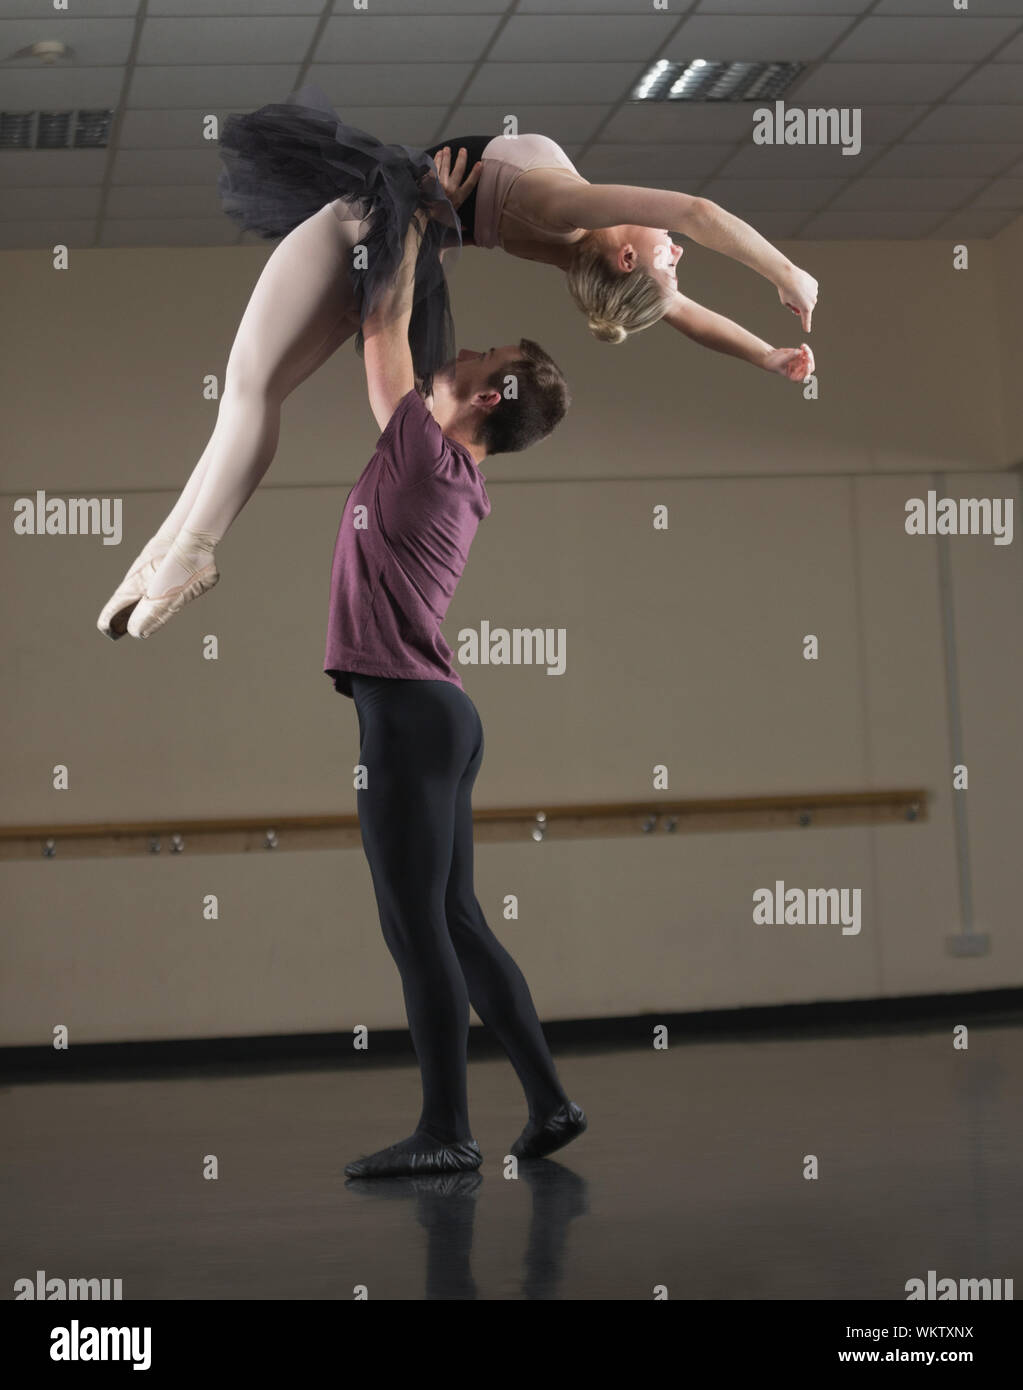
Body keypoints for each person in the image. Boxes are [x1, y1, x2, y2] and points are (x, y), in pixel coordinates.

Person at [97, 84, 817, 641]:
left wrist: (786, 275)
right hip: (394, 255)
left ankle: (188, 550)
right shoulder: (579, 242)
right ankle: (165, 555)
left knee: (249, 393)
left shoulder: (569, 207)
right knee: (257, 395)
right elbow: (684, 316)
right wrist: (764, 353)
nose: (679, 254)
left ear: (626, 258)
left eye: (665, 263)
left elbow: (696, 212)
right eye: (677, 266)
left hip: (360, 231)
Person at [326, 210, 582, 1177]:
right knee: (457, 920)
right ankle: (550, 1104)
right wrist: (431, 239)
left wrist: (402, 220)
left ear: (489, 394)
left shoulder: (426, 457)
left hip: (407, 712)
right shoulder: (448, 464)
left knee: (415, 925)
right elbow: (419, 340)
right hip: (432, 714)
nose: (464, 350)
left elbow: (382, 330)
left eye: (484, 354)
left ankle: (447, 1130)